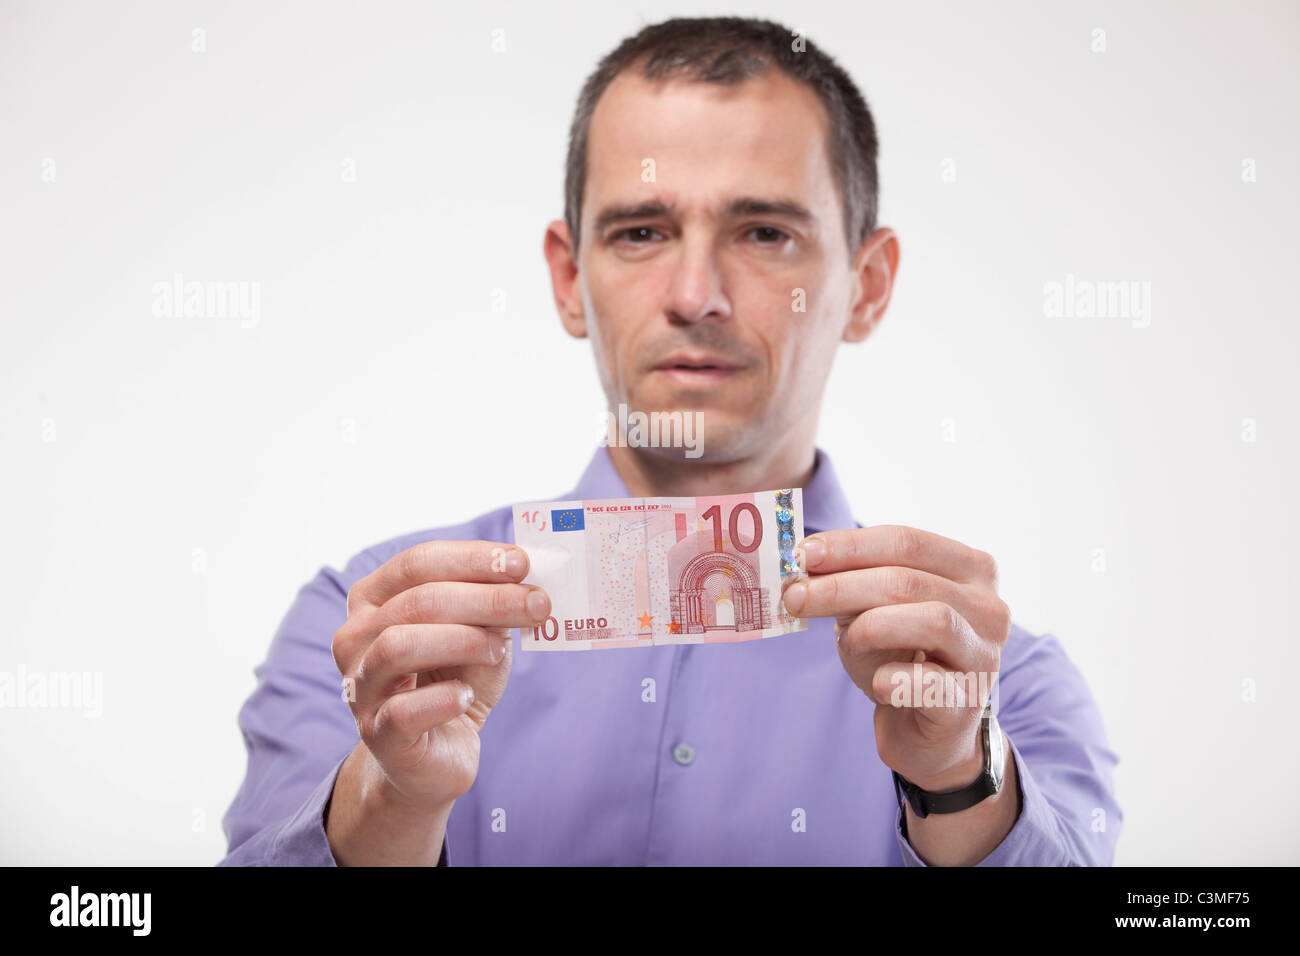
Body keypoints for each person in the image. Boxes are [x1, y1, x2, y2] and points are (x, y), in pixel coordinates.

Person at [220, 15, 1120, 866]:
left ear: (869, 285)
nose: (695, 292)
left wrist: (964, 785)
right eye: (642, 231)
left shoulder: (1009, 686)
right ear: (570, 279)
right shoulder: (368, 630)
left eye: (763, 232)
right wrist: (394, 801)